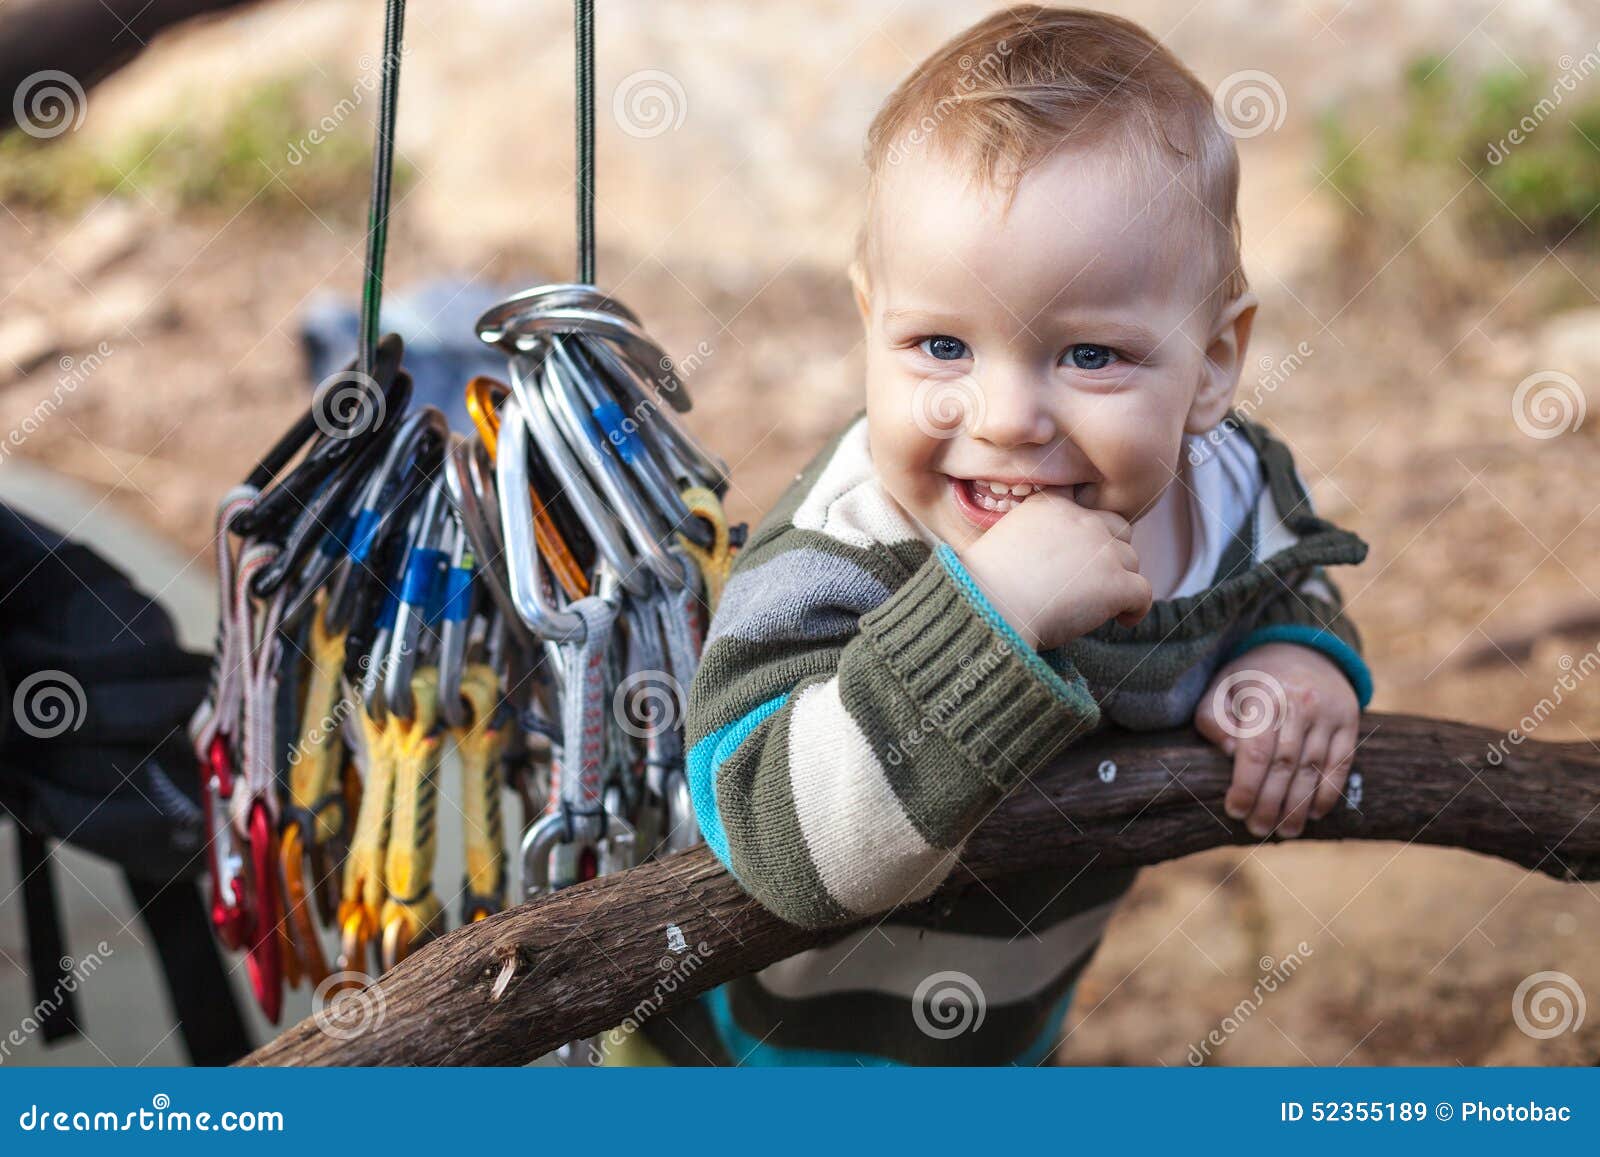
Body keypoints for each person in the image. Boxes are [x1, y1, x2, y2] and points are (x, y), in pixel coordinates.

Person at [649, 5, 1372, 1066]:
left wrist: (1292, 663)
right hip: (731, 1059)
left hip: (1001, 1033)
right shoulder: (843, 549)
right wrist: (990, 619)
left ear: (1213, 360)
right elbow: (772, 835)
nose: (1003, 419)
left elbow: (1281, 584)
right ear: (869, 322)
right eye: (941, 344)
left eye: (1089, 356)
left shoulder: (1222, 490)